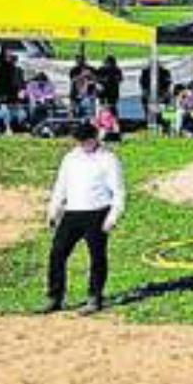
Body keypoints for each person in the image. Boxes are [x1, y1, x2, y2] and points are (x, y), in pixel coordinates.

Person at [46, 121, 125, 313]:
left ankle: (94, 297)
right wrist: (53, 210)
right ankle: (55, 296)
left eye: (86, 141)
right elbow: (61, 186)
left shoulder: (108, 159)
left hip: (97, 212)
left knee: (97, 257)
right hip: (72, 212)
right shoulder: (70, 158)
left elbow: (119, 192)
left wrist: (112, 217)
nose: (83, 145)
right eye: (79, 142)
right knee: (57, 253)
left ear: (95, 138)